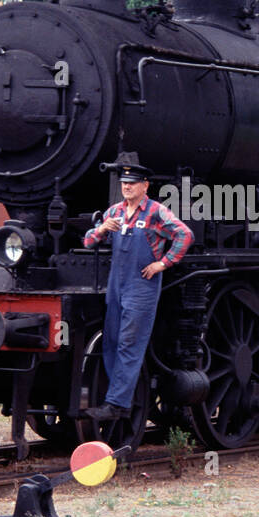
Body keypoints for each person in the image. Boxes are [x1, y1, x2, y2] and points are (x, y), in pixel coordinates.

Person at [82, 162, 192, 420]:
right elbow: (87, 241)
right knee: (110, 341)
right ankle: (120, 396)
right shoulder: (115, 212)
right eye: (124, 183)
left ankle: (117, 403)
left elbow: (184, 235)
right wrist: (100, 230)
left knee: (129, 344)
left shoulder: (156, 212)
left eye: (132, 183)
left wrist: (163, 263)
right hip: (117, 285)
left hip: (141, 285)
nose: (127, 187)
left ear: (145, 186)